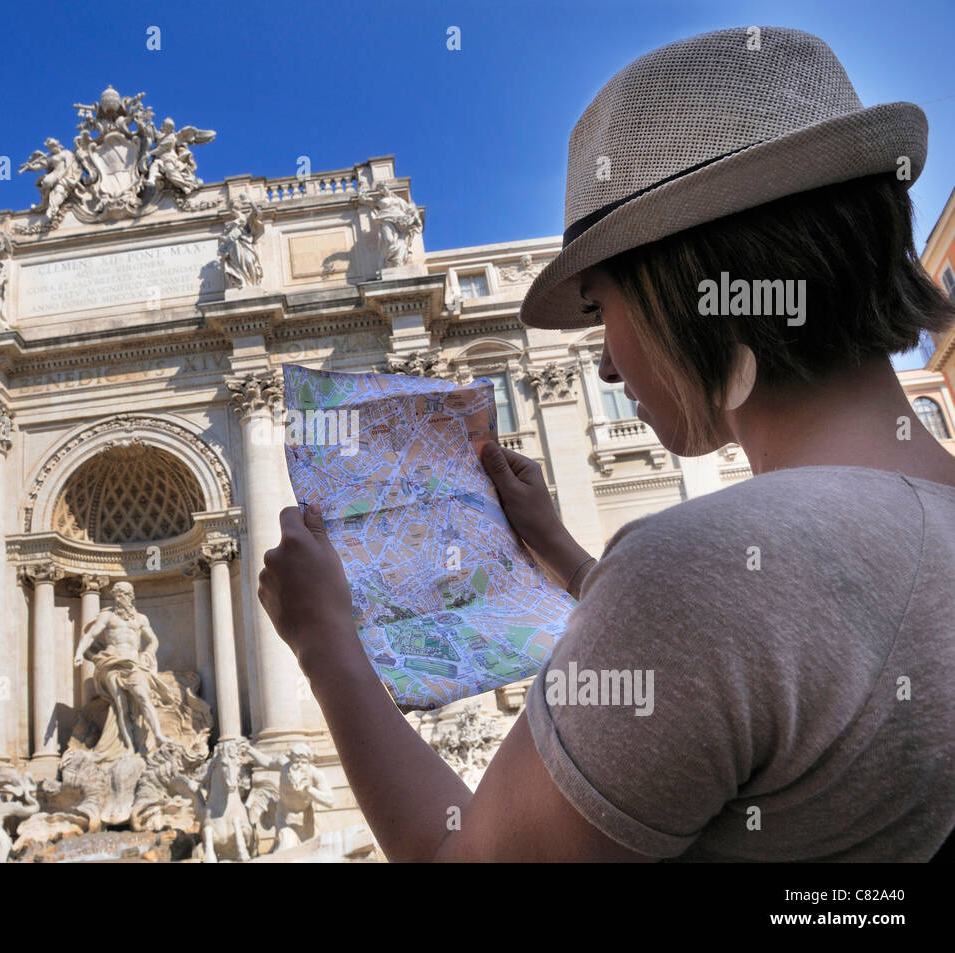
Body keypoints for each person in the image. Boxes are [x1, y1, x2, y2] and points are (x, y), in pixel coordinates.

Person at [257, 26, 955, 861]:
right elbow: (766, 659)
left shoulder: (700, 571)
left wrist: (327, 644)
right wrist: (558, 551)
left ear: (685, 291)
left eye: (600, 308)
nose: (608, 366)